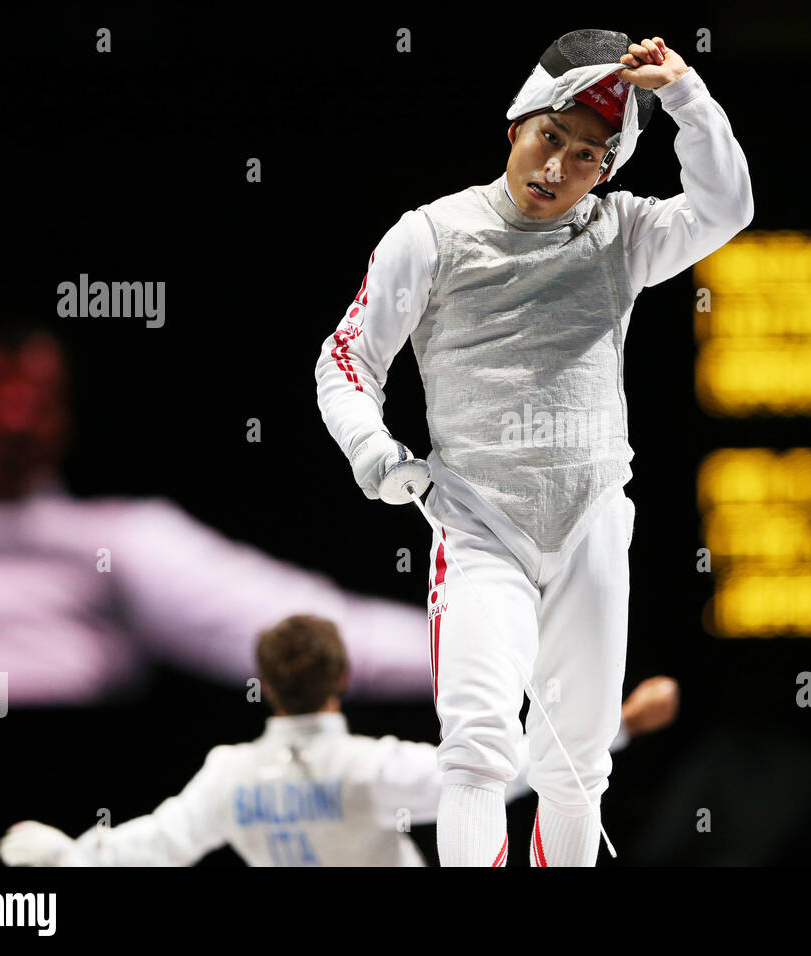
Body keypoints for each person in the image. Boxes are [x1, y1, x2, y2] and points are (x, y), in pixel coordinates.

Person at [315, 30, 752, 865]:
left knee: (579, 765)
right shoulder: (435, 234)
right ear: (515, 126)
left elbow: (728, 208)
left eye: (587, 155)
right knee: (477, 750)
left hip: (590, 522)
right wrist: (376, 454)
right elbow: (345, 360)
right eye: (550, 138)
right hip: (481, 528)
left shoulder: (621, 235)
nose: (558, 168)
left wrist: (687, 96)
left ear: (608, 169)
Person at [0, 325, 430, 705]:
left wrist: (481, 655)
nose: (16, 422)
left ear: (64, 419)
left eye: (38, 401)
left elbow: (301, 629)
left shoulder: (120, 538)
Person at [0, 614, 680, 866]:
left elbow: (152, 845)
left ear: (264, 686)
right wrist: (617, 723)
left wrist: (65, 855)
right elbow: (502, 775)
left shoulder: (230, 775)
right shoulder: (369, 767)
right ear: (344, 677)